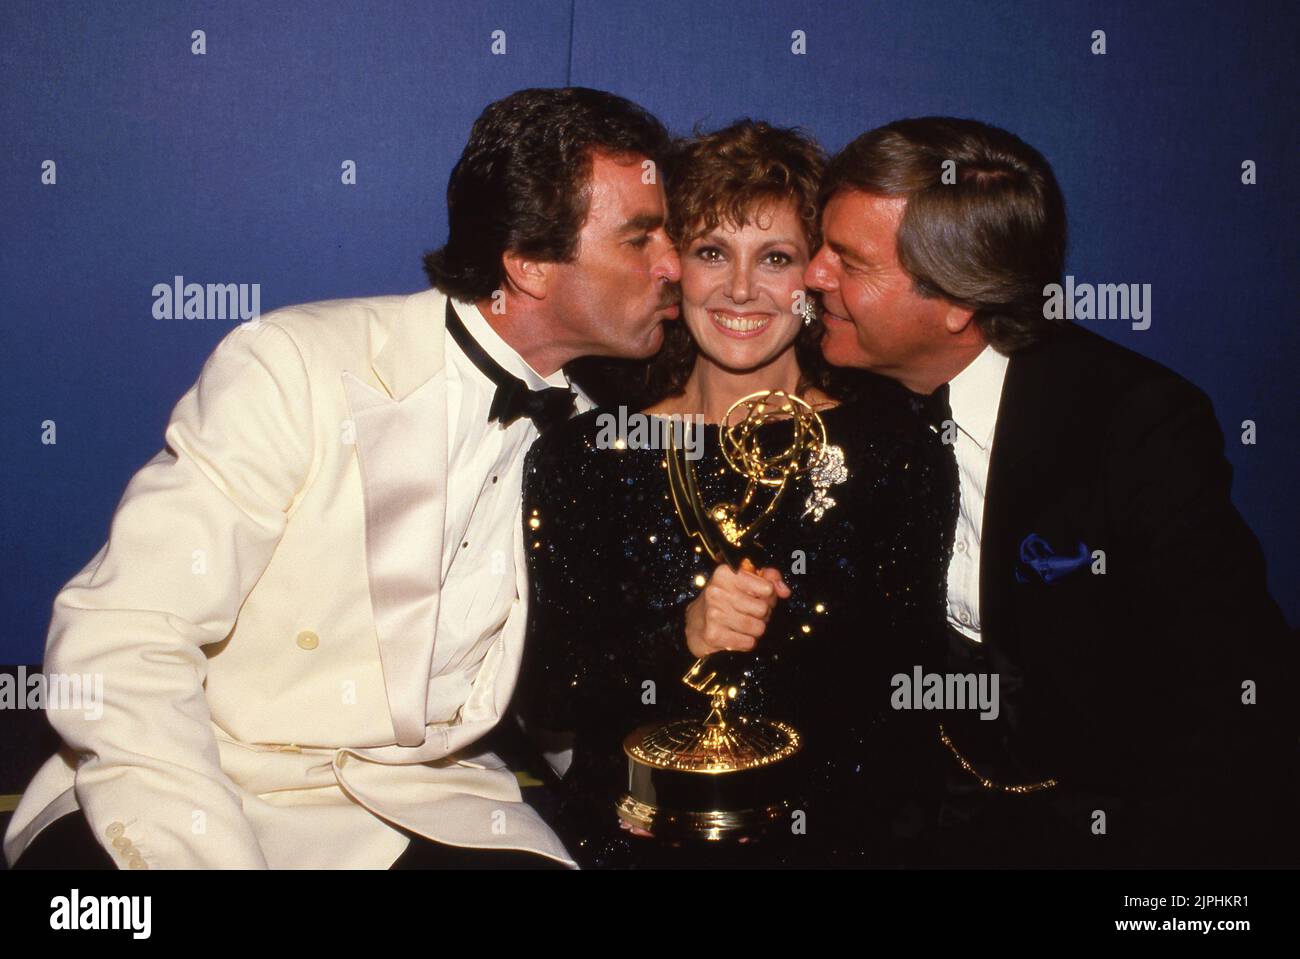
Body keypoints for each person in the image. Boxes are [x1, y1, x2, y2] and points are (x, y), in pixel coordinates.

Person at [4, 86, 683, 870]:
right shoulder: (295, 365)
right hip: (196, 777)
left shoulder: (594, 441)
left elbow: (564, 700)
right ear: (527, 262)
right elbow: (123, 635)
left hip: (424, 802)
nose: (672, 265)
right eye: (642, 239)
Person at [804, 116, 1297, 866]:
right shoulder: (850, 400)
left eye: (849, 260)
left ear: (957, 302)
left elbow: (1236, 693)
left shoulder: (1132, 425)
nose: (813, 274)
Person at [515, 120, 956, 868]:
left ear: (815, 275)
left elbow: (910, 698)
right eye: (712, 252)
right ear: (673, 267)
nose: (742, 288)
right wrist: (679, 636)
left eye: (775, 257)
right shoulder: (586, 455)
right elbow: (549, 695)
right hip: (628, 843)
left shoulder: (893, 447)